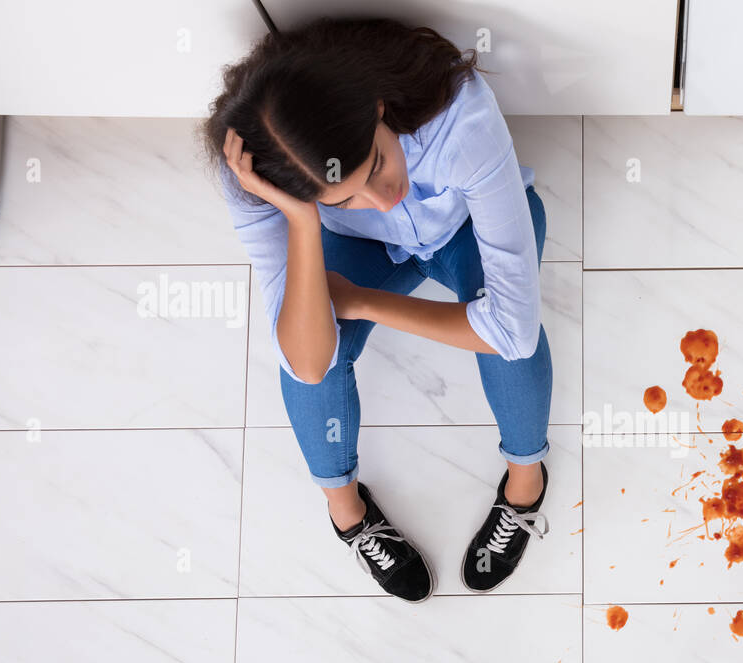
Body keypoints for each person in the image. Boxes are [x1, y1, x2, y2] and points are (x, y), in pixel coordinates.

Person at [201, 17, 552, 602]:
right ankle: (348, 513)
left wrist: (364, 301)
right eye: (348, 195)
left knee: (509, 339)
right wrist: (303, 220)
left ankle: (526, 481)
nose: (383, 197)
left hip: (460, 228)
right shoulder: (256, 176)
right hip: (353, 247)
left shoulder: (459, 114)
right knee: (302, 363)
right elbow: (308, 360)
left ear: (377, 108)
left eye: (379, 165)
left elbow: (512, 331)